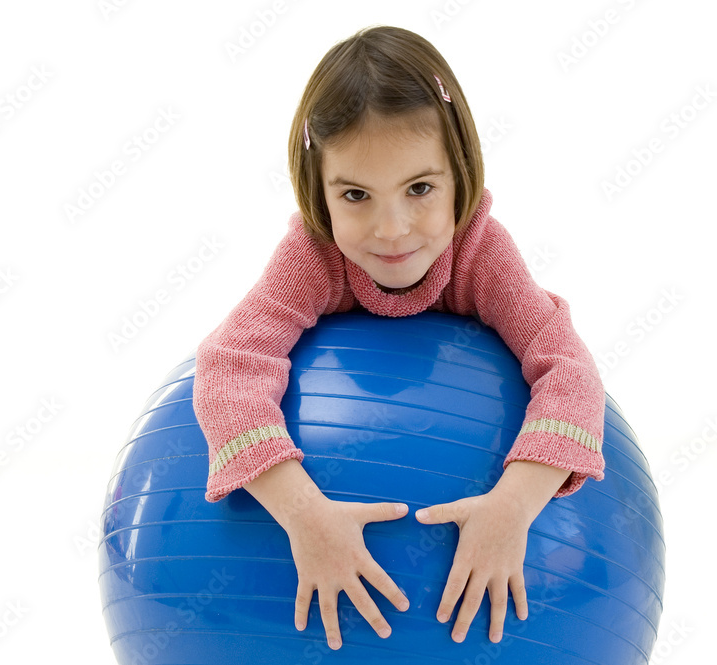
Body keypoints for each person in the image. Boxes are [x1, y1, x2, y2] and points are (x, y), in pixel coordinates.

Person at [192, 24, 606, 651]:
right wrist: (305, 516)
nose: (392, 229)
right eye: (356, 194)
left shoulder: (478, 251)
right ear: (319, 190)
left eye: (420, 189)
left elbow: (569, 370)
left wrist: (514, 506)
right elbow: (229, 367)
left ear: (459, 172)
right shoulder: (313, 255)